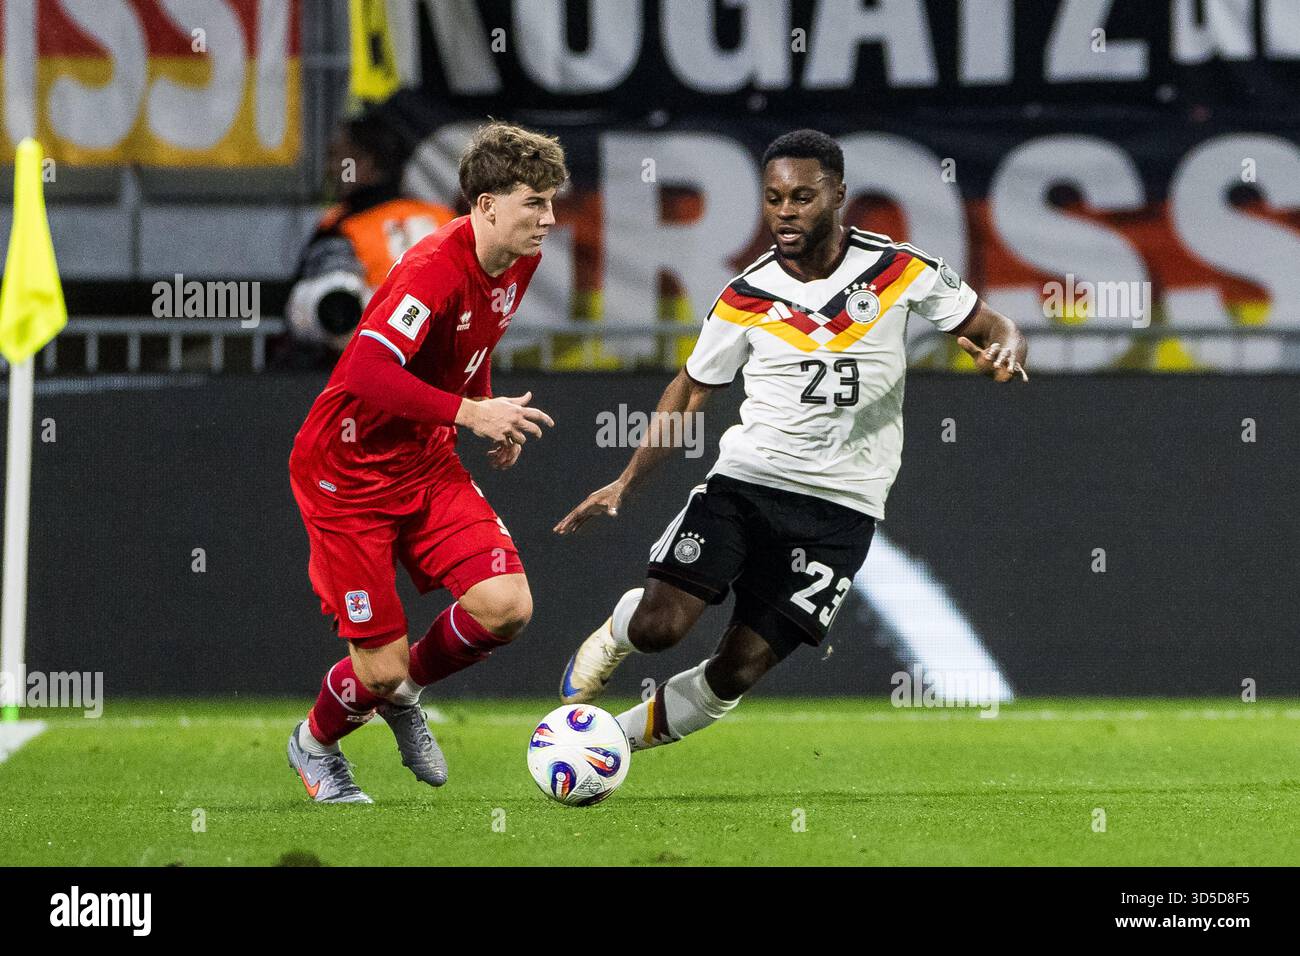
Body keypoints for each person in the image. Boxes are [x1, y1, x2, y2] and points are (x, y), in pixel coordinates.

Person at [553, 129, 1027, 752]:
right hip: (747, 486)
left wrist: (1003, 351)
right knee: (659, 629)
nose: (784, 210)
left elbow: (996, 325)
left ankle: (605, 744)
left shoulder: (899, 270)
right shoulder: (746, 296)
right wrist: (626, 482)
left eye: (802, 197)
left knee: (737, 670)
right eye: (774, 197)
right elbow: (693, 389)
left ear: (838, 196)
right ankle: (619, 630)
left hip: (843, 507)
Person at [286, 121, 567, 802]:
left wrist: (488, 404)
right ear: (487, 204)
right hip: (346, 475)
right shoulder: (430, 270)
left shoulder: (517, 259)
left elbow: (470, 346)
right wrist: (471, 413)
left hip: (424, 458)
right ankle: (317, 744)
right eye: (535, 202)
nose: (549, 219)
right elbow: (363, 372)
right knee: (373, 671)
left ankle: (402, 691)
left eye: (552, 202)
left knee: (506, 607)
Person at [281, 111, 457, 366]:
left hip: (373, 364)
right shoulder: (447, 219)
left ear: (364, 164)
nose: (332, 169)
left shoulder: (345, 226)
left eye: (338, 158)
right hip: (446, 366)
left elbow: (326, 310)